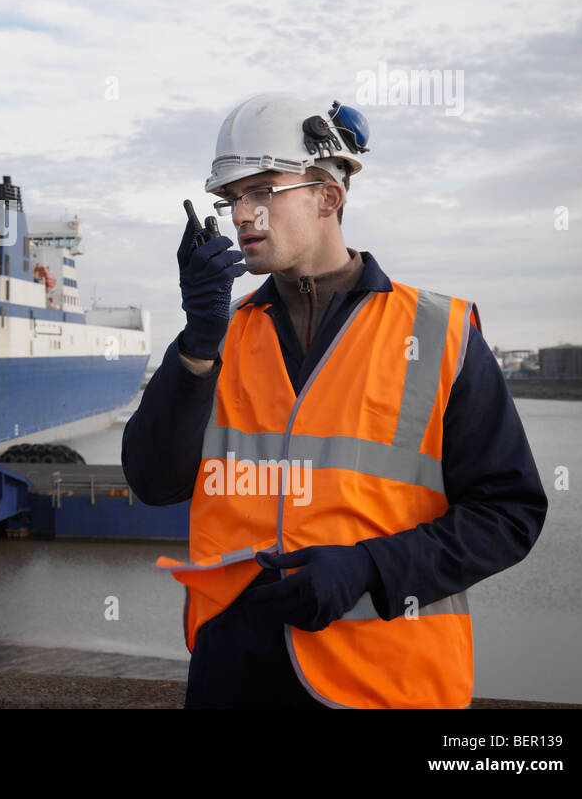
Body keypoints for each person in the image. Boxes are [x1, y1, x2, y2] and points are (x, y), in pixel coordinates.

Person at [122, 93, 547, 709]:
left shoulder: (440, 333)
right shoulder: (218, 335)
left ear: (328, 195)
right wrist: (196, 345)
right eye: (230, 198)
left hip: (385, 681)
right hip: (232, 675)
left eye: (263, 189)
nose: (242, 214)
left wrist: (369, 570)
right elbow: (155, 482)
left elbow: (509, 515)